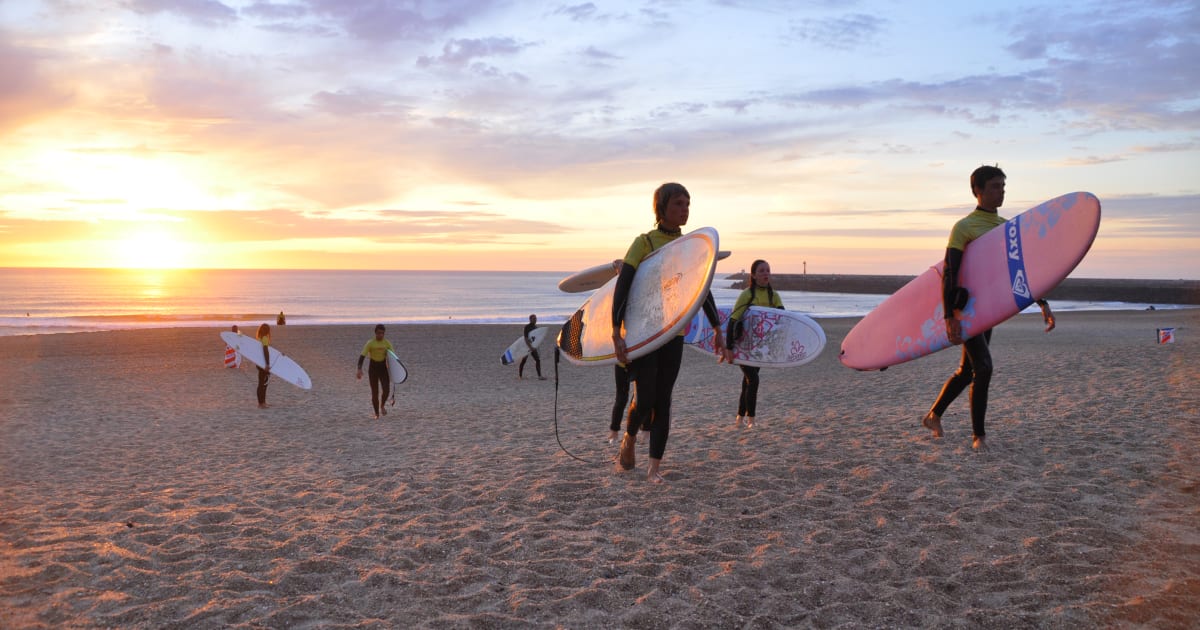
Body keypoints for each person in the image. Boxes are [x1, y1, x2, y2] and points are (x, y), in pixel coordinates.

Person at [921, 165, 1056, 451]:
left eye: (1003, 186)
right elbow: (950, 273)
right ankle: (978, 437)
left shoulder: (1007, 229)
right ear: (978, 191)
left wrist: (1042, 303)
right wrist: (949, 316)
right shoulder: (964, 228)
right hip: (966, 309)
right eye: (995, 186)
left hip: (989, 310)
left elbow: (1019, 273)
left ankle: (933, 416)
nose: (1001, 191)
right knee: (983, 367)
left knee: (969, 369)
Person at [612, 182, 732, 483]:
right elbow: (624, 287)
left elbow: (700, 289)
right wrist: (616, 331)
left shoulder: (691, 246)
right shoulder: (644, 243)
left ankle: (654, 470)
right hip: (643, 332)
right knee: (645, 397)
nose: (685, 209)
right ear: (661, 207)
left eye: (688, 204)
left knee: (663, 399)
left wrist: (717, 328)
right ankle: (628, 439)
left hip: (673, 333)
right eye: (678, 203)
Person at [726, 259, 784, 429]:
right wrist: (729, 347)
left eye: (768, 270)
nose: (766, 273)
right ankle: (751, 419)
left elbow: (782, 319)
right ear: (753, 275)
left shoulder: (774, 295)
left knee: (748, 381)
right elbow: (733, 320)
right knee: (754, 379)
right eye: (761, 271)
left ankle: (739, 417)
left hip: (760, 348)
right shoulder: (747, 295)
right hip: (743, 346)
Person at [356, 324, 395, 419]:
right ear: (375, 333)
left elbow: (393, 357)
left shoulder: (387, 343)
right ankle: (377, 413)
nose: (380, 335)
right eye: (378, 333)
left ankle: (382, 406)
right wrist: (359, 369)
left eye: (382, 333)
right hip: (373, 368)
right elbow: (362, 356)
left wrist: (395, 372)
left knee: (386, 390)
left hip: (383, 368)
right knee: (375, 392)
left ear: (384, 333)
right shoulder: (370, 343)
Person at [518, 314, 545, 380]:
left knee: (537, 360)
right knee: (523, 361)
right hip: (526, 346)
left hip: (533, 346)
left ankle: (539, 376)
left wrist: (535, 346)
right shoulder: (527, 327)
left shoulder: (536, 327)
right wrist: (530, 347)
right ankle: (520, 376)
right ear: (530, 319)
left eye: (536, 318)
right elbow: (526, 338)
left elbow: (536, 338)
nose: (535, 320)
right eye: (534, 318)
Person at [255, 323, 272, 408]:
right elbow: (265, 351)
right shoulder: (265, 338)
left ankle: (263, 402)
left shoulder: (259, 338)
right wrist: (267, 364)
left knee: (262, 383)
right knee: (263, 383)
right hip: (263, 364)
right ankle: (261, 403)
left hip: (259, 363)